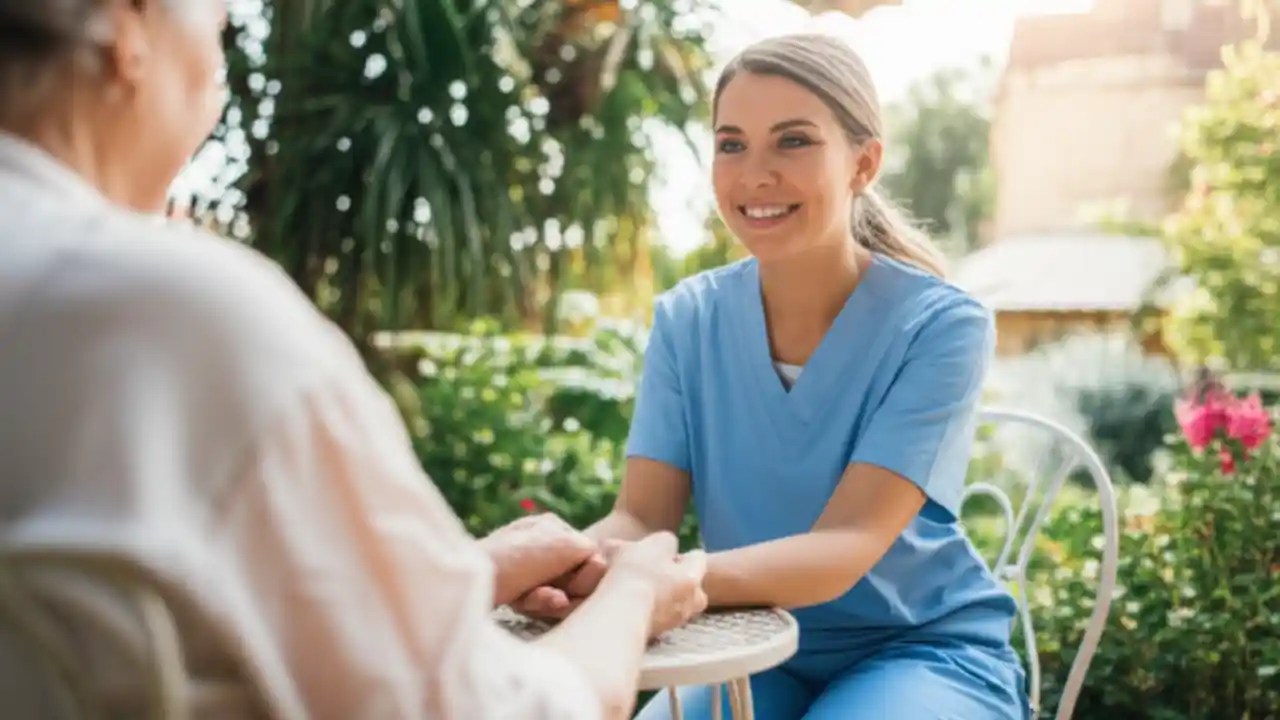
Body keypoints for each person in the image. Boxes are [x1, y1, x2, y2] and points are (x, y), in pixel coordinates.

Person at [0, 1, 707, 718]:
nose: (221, 65)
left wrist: (456, 576)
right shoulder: (171, 314)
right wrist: (636, 593)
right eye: (216, 25)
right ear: (128, 32)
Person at [514, 34, 1032, 719]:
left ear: (863, 163)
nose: (754, 174)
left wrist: (669, 577)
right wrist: (573, 565)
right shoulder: (687, 319)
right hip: (744, 643)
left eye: (792, 142)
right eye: (731, 144)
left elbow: (844, 546)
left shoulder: (940, 326)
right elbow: (642, 514)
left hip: (920, 652)